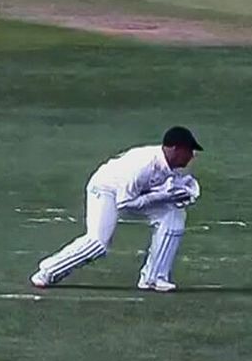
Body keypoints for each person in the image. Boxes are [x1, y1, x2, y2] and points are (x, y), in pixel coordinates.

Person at [31, 125, 203, 292]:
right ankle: (48, 271)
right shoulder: (144, 165)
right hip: (106, 190)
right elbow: (125, 203)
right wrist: (165, 196)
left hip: (134, 194)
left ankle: (154, 278)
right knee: (97, 244)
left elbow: (174, 189)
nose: (192, 156)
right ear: (175, 149)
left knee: (173, 217)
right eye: (189, 151)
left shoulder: (175, 167)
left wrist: (183, 194)